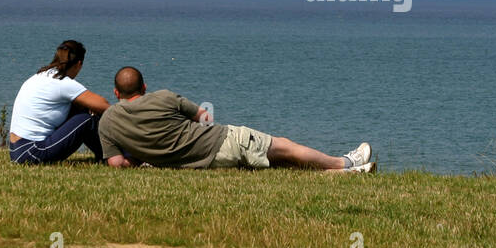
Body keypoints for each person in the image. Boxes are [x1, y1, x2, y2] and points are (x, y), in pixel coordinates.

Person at [98, 66, 376, 172]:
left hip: (199, 164)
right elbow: (204, 116)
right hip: (221, 141)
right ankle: (346, 162)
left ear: (115, 92)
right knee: (284, 146)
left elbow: (117, 164)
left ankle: (345, 174)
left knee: (281, 165)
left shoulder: (108, 121)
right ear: (143, 87)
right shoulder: (164, 97)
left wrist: (146, 153)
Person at [8, 40, 110, 164]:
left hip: (17, 150)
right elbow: (105, 106)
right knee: (87, 119)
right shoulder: (63, 83)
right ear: (79, 64)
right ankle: (111, 157)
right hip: (32, 152)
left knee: (82, 108)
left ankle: (108, 156)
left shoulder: (40, 76)